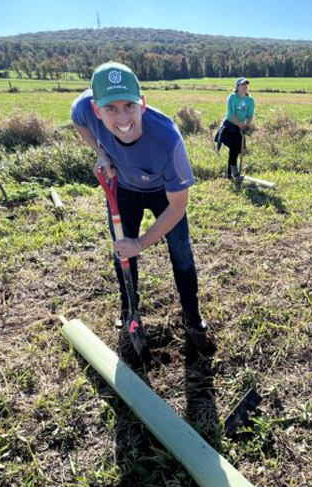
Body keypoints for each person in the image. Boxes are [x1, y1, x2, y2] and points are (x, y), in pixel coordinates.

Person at [71, 62, 207, 332]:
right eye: (110, 108)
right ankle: (129, 309)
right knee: (122, 249)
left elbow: (178, 207)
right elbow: (78, 120)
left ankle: (192, 314)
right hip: (124, 189)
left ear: (142, 104)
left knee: (181, 250)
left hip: (163, 194)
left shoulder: (168, 140)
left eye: (129, 107)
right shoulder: (85, 108)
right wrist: (100, 152)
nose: (122, 119)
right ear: (97, 109)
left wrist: (141, 243)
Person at [215, 77, 255, 178]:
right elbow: (231, 114)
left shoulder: (250, 100)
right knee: (235, 148)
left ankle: (231, 174)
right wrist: (241, 125)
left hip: (240, 127)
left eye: (246, 85)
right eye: (242, 85)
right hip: (229, 126)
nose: (245, 87)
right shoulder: (232, 97)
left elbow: (250, 115)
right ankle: (233, 173)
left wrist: (248, 125)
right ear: (237, 87)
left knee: (237, 150)